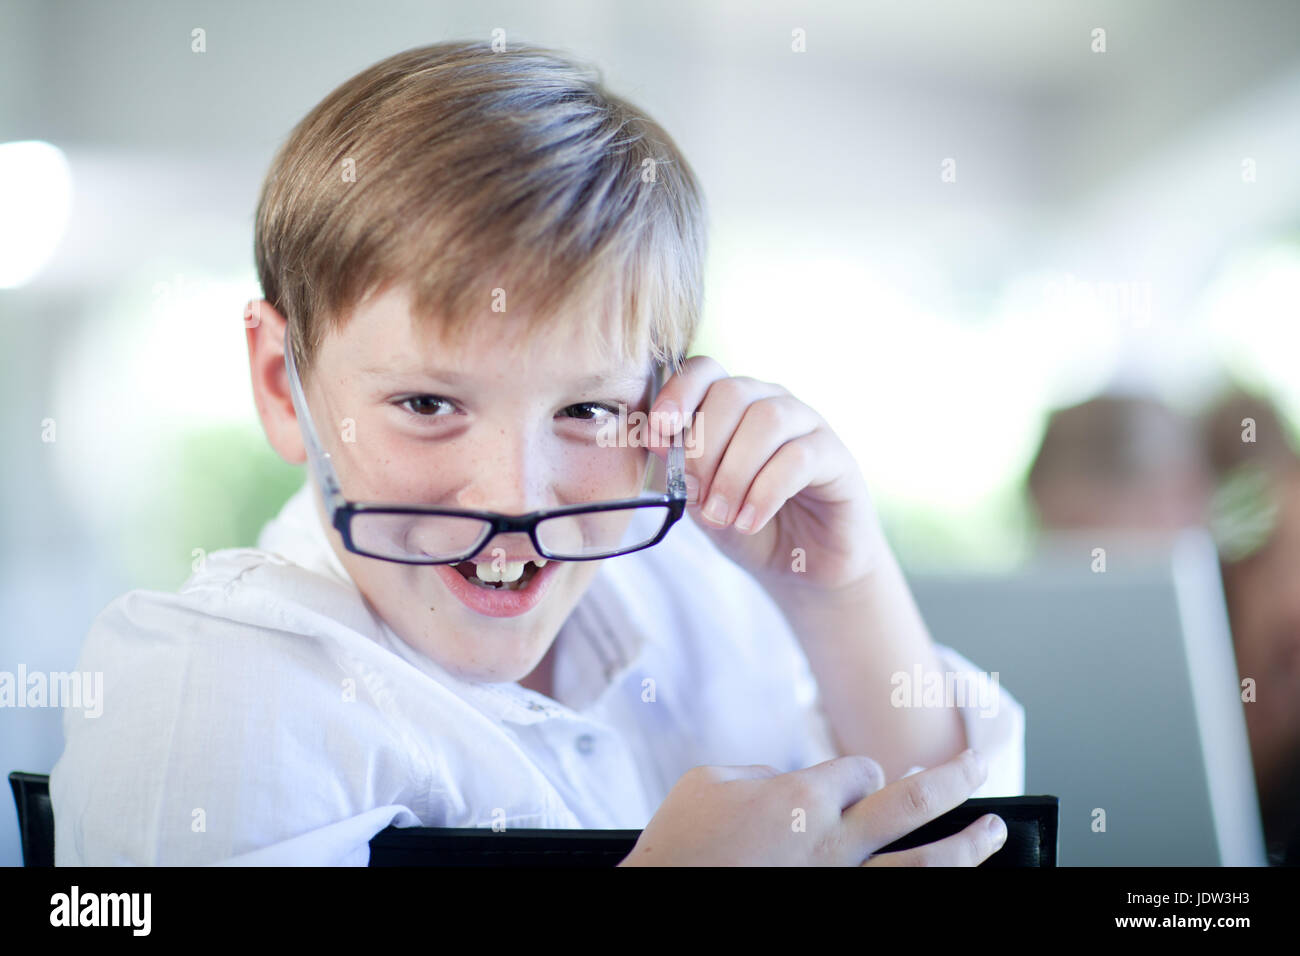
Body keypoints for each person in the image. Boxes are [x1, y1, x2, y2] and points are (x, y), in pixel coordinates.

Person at [50, 40, 1023, 866]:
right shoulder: (212, 695)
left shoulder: (700, 599)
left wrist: (836, 593)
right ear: (280, 384)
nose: (514, 495)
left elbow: (958, 834)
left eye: (590, 410)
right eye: (427, 402)